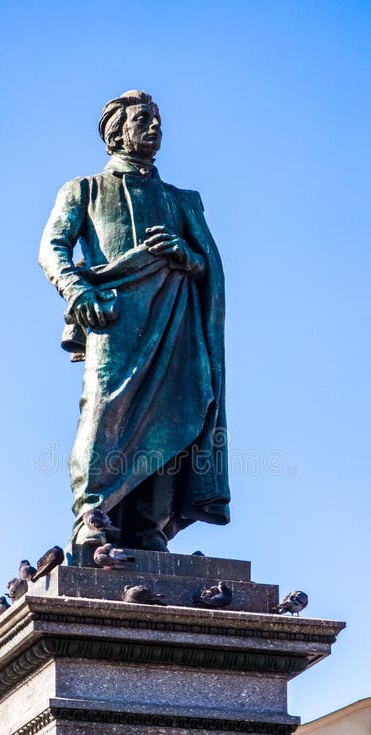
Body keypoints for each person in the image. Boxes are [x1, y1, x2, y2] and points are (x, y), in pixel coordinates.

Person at [39, 90, 230, 551]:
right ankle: (92, 512)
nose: (155, 126)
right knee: (104, 409)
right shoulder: (83, 190)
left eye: (158, 118)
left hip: (175, 319)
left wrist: (186, 255)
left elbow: (209, 266)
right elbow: (52, 247)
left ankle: (149, 526)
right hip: (115, 317)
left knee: (177, 410)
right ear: (116, 131)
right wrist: (77, 289)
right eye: (143, 118)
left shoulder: (182, 200)